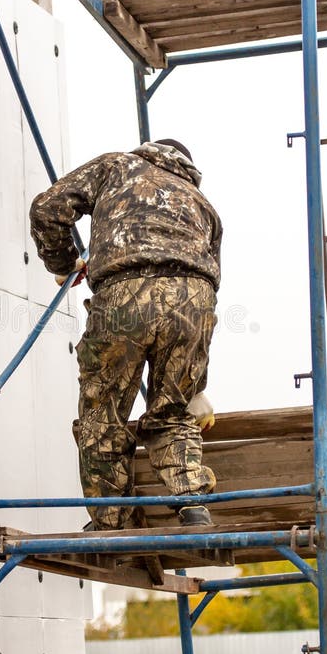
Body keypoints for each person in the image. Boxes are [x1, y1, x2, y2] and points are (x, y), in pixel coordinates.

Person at [29, 139, 222, 531]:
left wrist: (64, 263)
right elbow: (208, 279)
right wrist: (194, 386)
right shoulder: (203, 206)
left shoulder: (118, 166)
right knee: (173, 413)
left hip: (125, 293)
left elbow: (47, 208)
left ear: (146, 151)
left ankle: (111, 522)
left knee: (104, 413)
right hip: (194, 301)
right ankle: (193, 504)